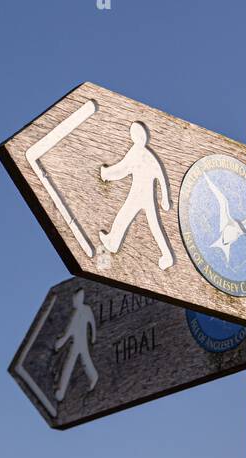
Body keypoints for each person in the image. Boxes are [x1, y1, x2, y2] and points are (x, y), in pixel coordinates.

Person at [99, 122, 174, 271]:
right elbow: (161, 178)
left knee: (139, 220)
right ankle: (113, 241)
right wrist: (165, 198)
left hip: (140, 194)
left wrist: (106, 174)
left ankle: (113, 242)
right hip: (143, 194)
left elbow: (123, 169)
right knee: (146, 222)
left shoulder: (138, 152)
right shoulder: (147, 154)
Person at [54, 289, 98, 403]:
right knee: (73, 364)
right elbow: (69, 333)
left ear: (79, 299)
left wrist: (93, 337)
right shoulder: (76, 313)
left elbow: (92, 323)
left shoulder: (85, 310)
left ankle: (93, 377)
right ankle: (61, 392)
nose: (74, 302)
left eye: (76, 300)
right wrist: (61, 343)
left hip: (81, 343)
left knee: (75, 364)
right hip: (76, 344)